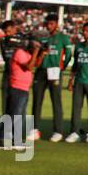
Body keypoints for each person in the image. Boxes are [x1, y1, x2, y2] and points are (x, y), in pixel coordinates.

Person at [65, 22, 88, 143]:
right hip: (79, 81)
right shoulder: (78, 46)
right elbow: (75, 65)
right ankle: (74, 132)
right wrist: (71, 80)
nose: (85, 33)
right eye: (84, 30)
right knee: (76, 107)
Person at [33, 14, 70, 143]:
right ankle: (34, 130)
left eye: (52, 24)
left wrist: (62, 67)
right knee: (37, 101)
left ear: (56, 24)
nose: (49, 26)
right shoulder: (42, 37)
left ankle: (58, 131)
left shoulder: (63, 38)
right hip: (41, 71)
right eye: (47, 24)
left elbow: (69, 54)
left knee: (56, 101)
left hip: (55, 71)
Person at [4, 35, 42, 148]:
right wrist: (36, 51)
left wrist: (42, 55)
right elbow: (29, 67)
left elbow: (35, 64)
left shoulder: (26, 53)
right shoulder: (19, 52)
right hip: (17, 88)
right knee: (17, 115)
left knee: (17, 115)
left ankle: (4, 138)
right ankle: (15, 141)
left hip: (23, 88)